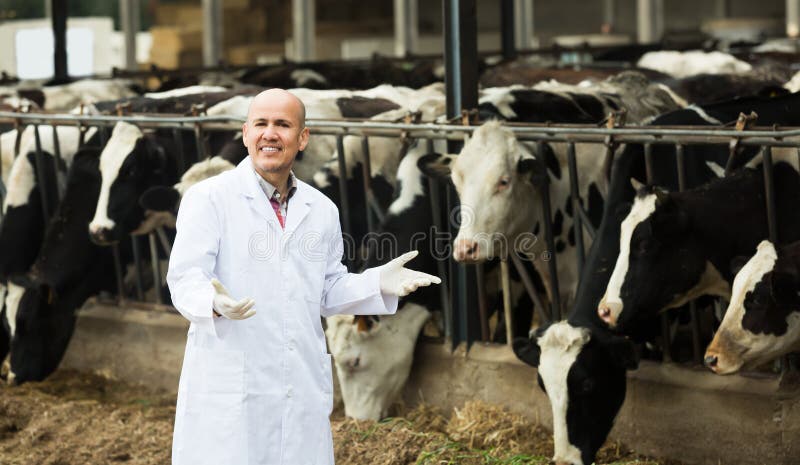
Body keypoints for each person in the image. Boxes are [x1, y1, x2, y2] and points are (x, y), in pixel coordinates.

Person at [166, 88, 440, 465]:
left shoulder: (321, 208)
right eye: (261, 124)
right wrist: (213, 303)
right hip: (233, 383)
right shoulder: (209, 198)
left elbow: (326, 288)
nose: (270, 134)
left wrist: (376, 282)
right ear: (246, 134)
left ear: (303, 137)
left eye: (283, 124)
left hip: (298, 385)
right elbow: (184, 278)